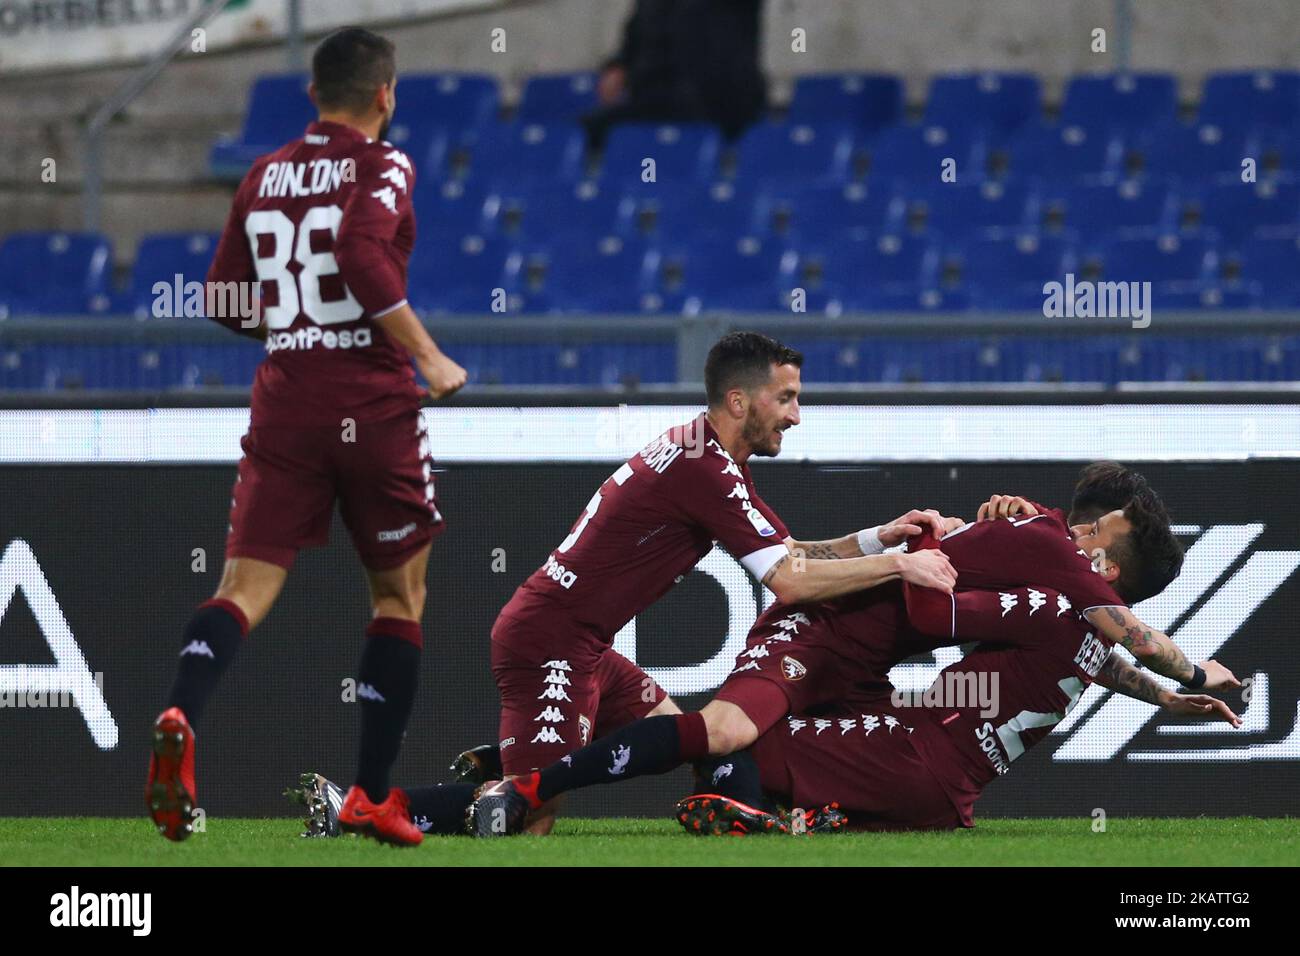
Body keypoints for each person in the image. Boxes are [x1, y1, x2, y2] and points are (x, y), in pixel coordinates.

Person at [469, 472, 1238, 836]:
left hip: (864, 669)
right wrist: (1179, 687)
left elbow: (1108, 638)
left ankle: (541, 765)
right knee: (731, 738)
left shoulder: (1058, 587)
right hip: (826, 631)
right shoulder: (1050, 569)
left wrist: (1182, 684)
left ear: (1108, 562)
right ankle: (536, 778)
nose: (1093, 540)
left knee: (727, 742)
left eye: (1108, 537)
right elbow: (1106, 646)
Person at [145, 26, 467, 848]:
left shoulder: (263, 173)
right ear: (385, 95)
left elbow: (220, 298)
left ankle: (182, 709)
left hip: (285, 397)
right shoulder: (385, 164)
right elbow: (361, 253)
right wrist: (427, 355)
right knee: (399, 598)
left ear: (313, 94)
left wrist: (296, 331)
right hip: (370, 398)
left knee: (241, 591)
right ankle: (369, 793)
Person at [585, 0, 768, 148]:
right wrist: (617, 66)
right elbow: (634, 40)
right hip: (653, 97)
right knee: (586, 130)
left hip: (716, 101)